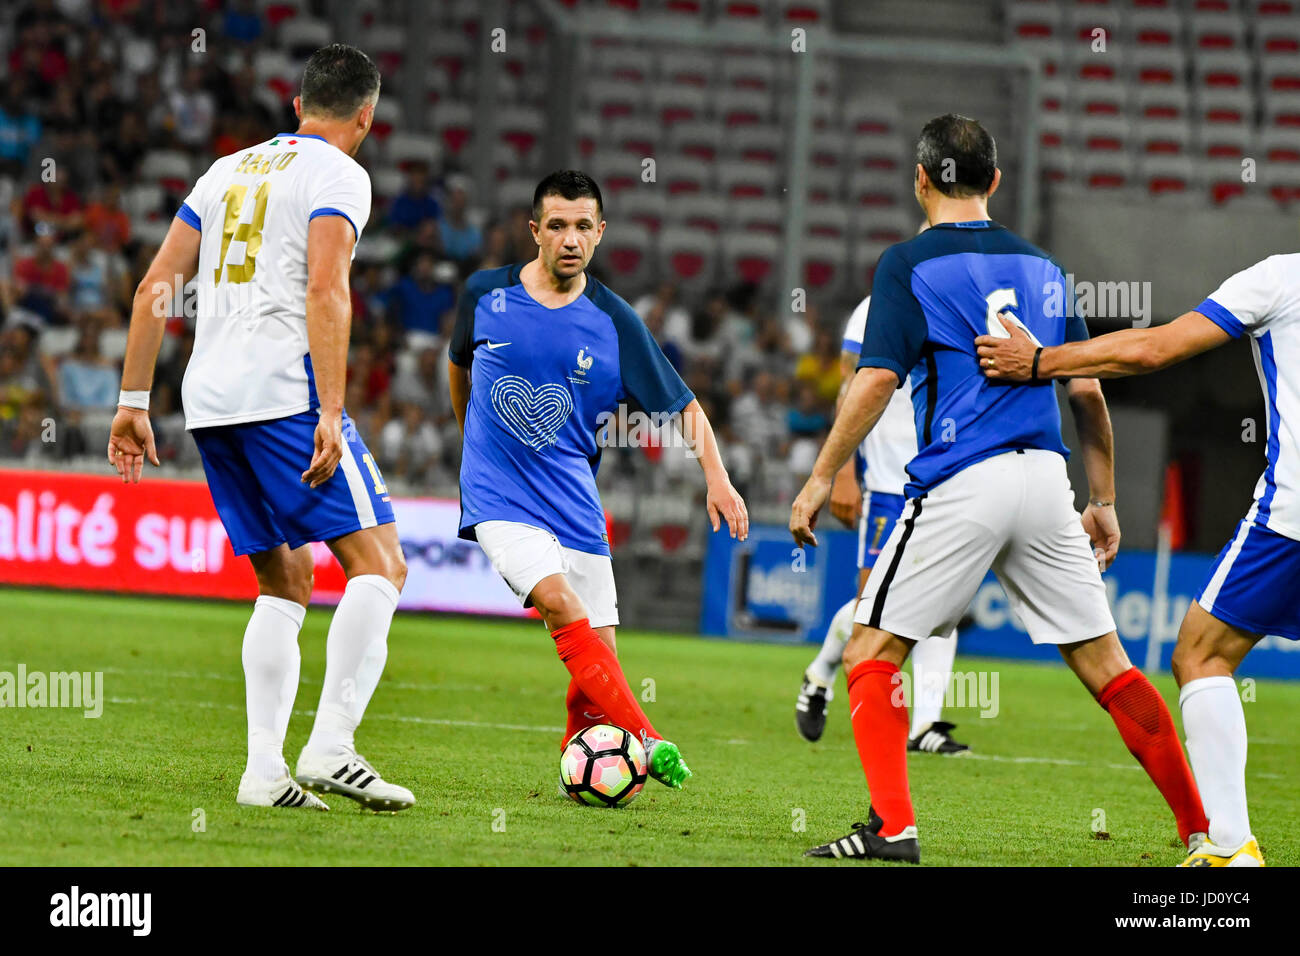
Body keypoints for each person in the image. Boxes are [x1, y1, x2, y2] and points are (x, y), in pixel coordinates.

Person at [789, 114, 1208, 862]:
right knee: (1109, 667)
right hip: (1047, 480)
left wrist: (822, 474)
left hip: (963, 479)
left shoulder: (906, 264)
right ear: (996, 182)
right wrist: (1104, 500)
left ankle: (893, 828)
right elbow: (1086, 389)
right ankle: (1203, 832)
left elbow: (877, 378)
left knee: (871, 652)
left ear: (920, 179)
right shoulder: (1046, 268)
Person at [107, 44, 413, 814]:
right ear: (366, 118)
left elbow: (154, 288)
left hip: (209, 400)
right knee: (381, 563)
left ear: (297, 106)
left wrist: (133, 401)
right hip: (286, 394)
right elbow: (325, 287)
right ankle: (332, 745)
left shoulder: (225, 170)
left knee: (286, 577)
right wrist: (333, 411)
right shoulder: (340, 174)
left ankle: (262, 774)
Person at [975, 255, 1299, 868]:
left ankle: (1230, 846)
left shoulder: (1281, 278)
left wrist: (1040, 361)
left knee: (1201, 654)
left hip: (1294, 518)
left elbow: (1153, 350)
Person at [448, 170, 749, 791]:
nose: (570, 239)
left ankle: (575, 766)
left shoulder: (615, 322)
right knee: (561, 606)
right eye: (556, 225)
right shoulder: (484, 295)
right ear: (534, 231)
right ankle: (649, 738)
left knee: (598, 658)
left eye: (583, 226)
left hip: (575, 501)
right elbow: (460, 367)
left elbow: (683, 407)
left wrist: (716, 479)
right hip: (500, 496)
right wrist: (471, 443)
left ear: (601, 233)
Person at [796, 293, 967, 755]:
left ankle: (925, 725)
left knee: (944, 602)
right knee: (875, 607)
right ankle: (820, 674)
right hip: (890, 481)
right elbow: (851, 386)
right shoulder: (875, 307)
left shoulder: (965, 301)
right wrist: (845, 469)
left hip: (946, 480)